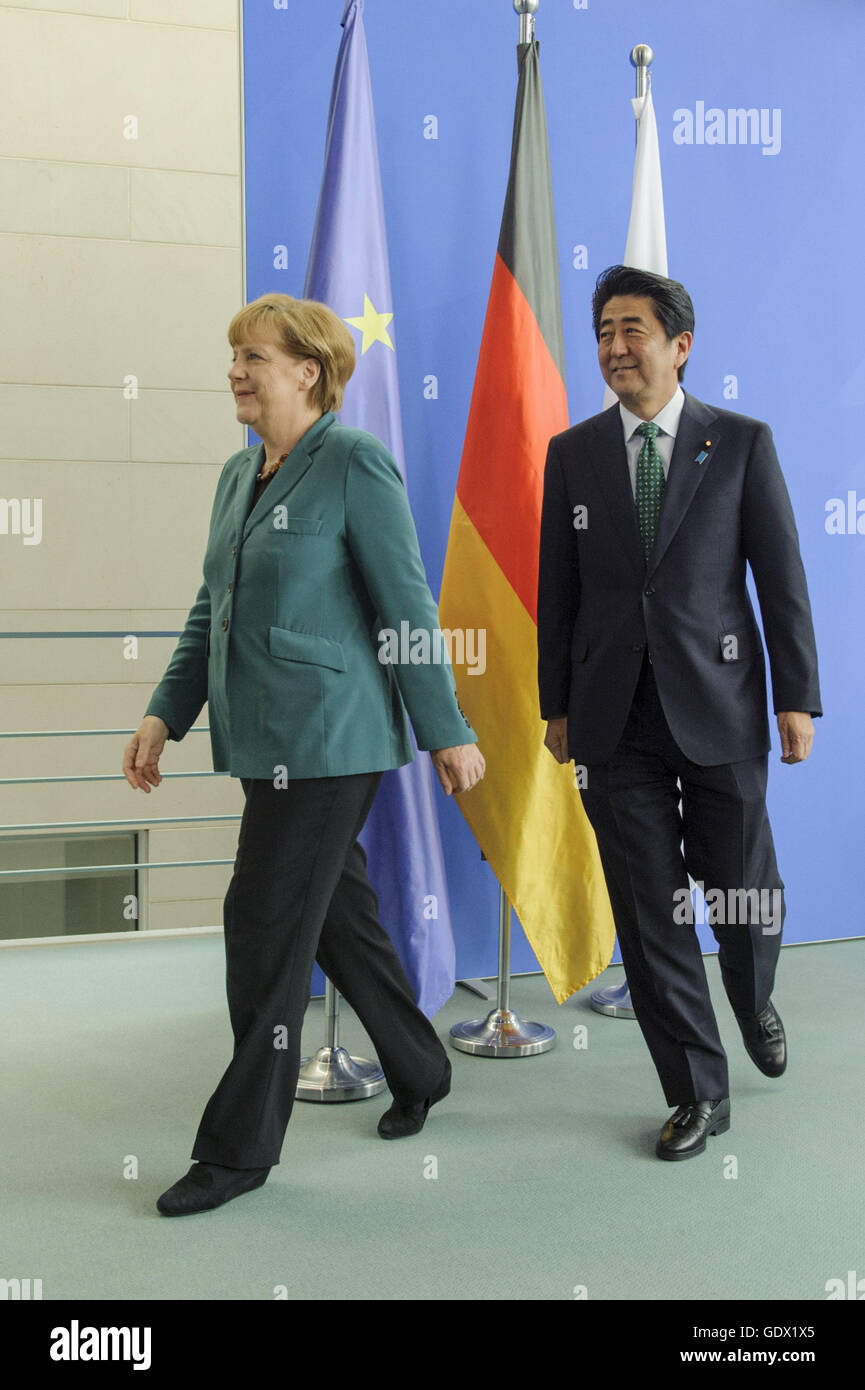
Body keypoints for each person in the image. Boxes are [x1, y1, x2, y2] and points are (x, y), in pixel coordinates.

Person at [122, 293, 485, 1215]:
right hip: (262, 740)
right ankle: (420, 1065)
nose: (236, 370)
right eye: (233, 355)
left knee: (262, 930)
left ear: (307, 372)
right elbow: (214, 608)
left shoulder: (355, 464)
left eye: (254, 356)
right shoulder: (238, 477)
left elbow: (406, 608)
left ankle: (239, 1150)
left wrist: (446, 732)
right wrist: (166, 713)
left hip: (333, 741)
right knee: (335, 919)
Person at [538, 265, 821, 1161]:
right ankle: (698, 1091)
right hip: (612, 721)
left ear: (679, 346)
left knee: (741, 894)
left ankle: (752, 996)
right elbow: (560, 591)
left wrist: (795, 696)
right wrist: (555, 704)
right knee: (650, 914)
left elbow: (780, 581)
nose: (615, 348)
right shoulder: (572, 453)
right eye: (604, 332)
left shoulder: (738, 443)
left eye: (633, 331)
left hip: (722, 707)